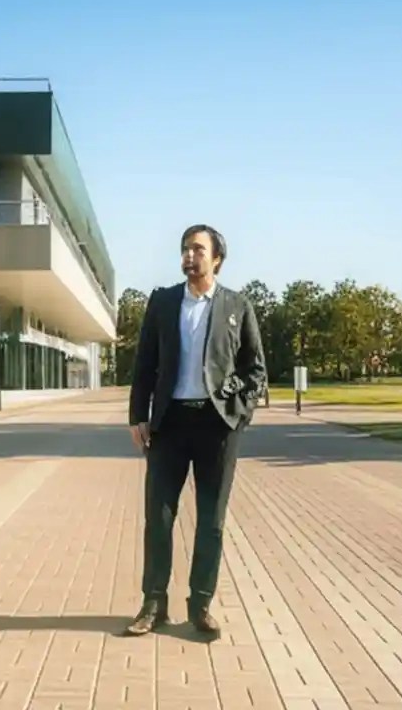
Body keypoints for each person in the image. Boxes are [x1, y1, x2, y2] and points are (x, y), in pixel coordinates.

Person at [125, 223, 267, 640]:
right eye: (186, 249)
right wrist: (139, 414)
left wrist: (237, 411)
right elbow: (145, 362)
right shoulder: (163, 302)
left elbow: (254, 370)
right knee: (158, 518)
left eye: (199, 249)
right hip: (169, 425)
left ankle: (200, 605)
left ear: (216, 258)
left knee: (211, 522)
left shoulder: (237, 305)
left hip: (216, 428)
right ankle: (154, 604)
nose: (190, 256)